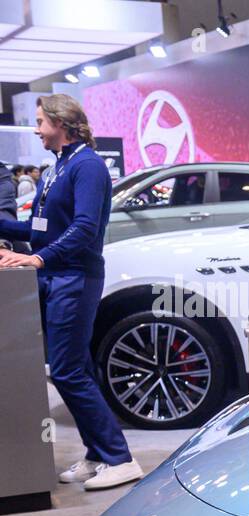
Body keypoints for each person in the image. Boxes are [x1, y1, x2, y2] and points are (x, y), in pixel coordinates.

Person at [0, 94, 141, 490]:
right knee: (74, 368)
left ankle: (120, 458)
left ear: (62, 123)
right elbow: (38, 227)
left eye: (42, 121)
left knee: (65, 370)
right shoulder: (56, 168)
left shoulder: (89, 166)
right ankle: (98, 453)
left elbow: (82, 229)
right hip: (57, 277)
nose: (36, 128)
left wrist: (39, 260)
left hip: (75, 277)